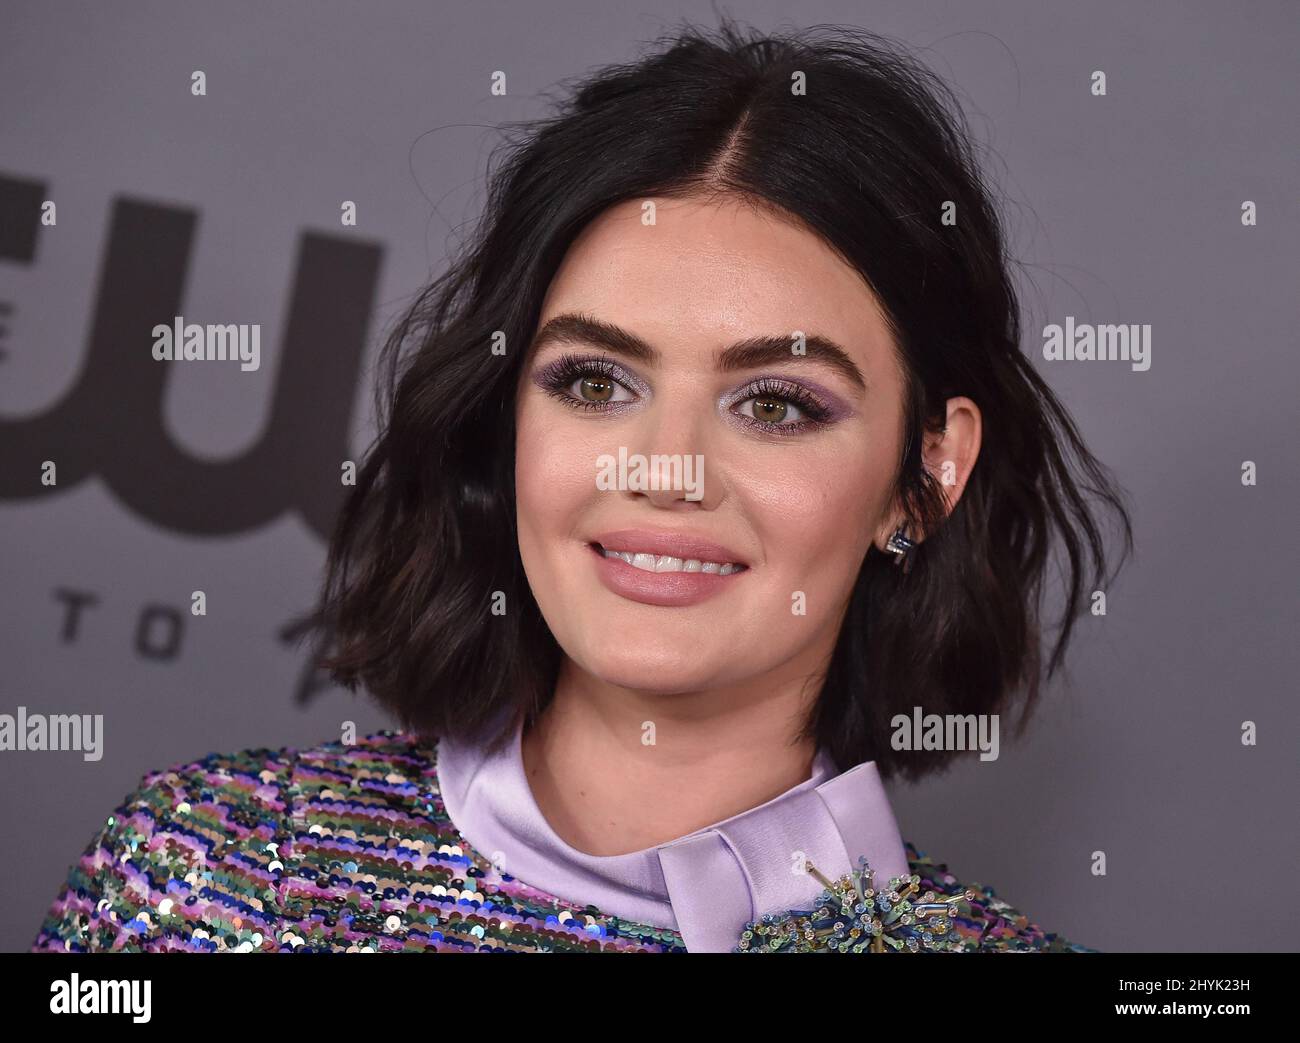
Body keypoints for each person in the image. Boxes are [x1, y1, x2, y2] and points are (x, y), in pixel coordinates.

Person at [32, 18, 1131, 954]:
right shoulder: (206, 868)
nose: (666, 467)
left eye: (778, 402)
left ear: (924, 475)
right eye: (596, 380)